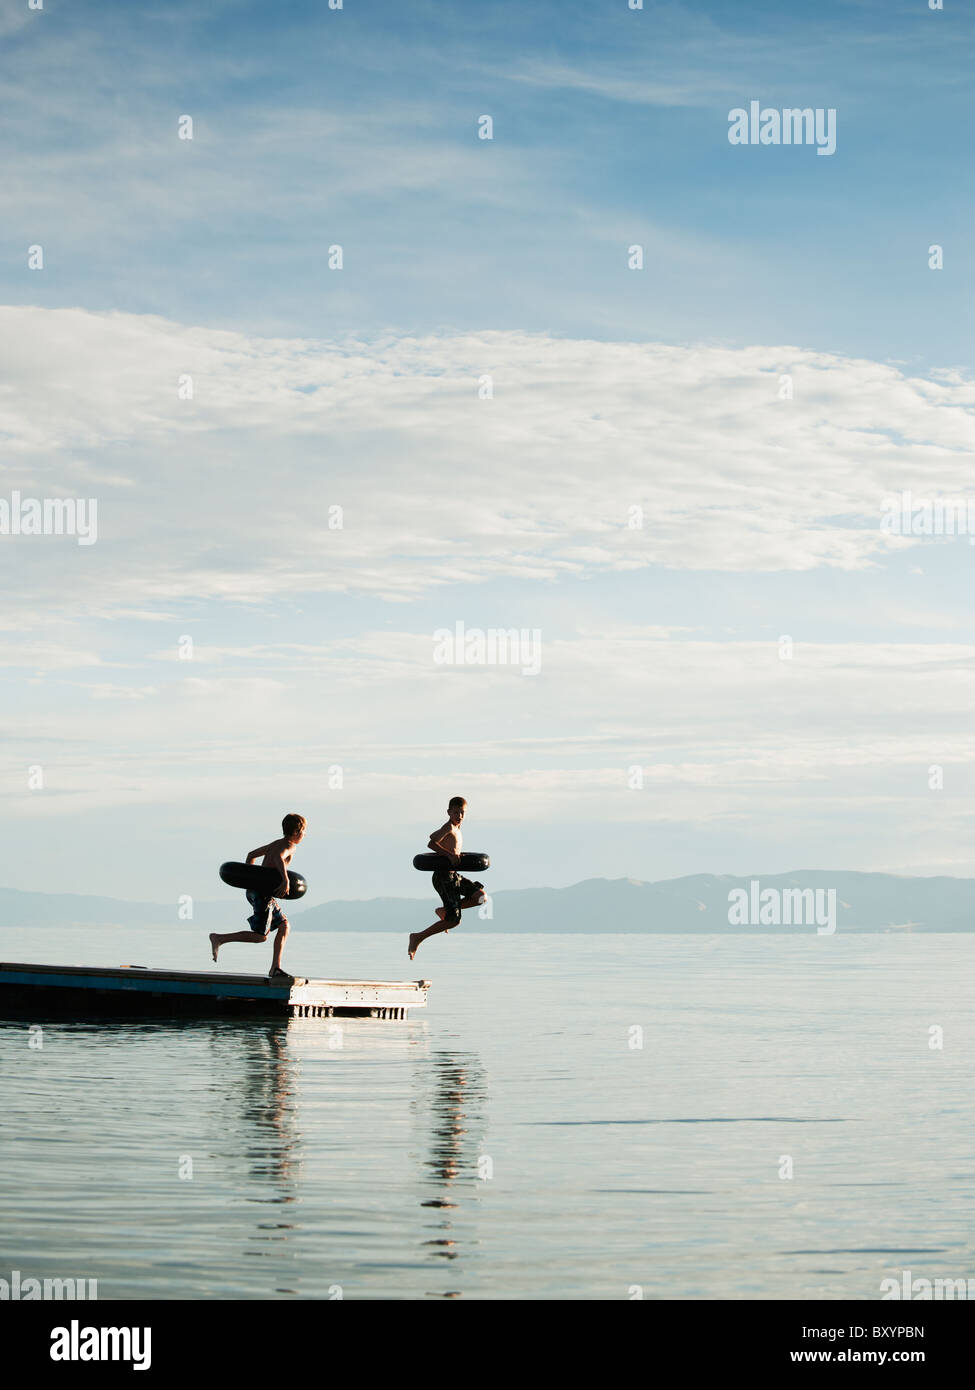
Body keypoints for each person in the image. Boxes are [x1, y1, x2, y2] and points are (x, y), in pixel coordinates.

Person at [210, 814, 306, 978]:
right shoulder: (289, 845)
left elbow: (251, 855)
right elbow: (278, 858)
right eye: (304, 832)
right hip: (263, 894)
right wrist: (285, 880)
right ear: (297, 832)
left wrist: (250, 878)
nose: (304, 836)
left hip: (259, 891)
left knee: (284, 926)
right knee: (261, 937)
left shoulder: (275, 843)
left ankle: (275, 968)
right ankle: (219, 938)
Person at [409, 797, 485, 959]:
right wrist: (448, 855)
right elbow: (432, 842)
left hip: (453, 875)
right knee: (454, 920)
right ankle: (417, 937)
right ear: (449, 812)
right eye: (456, 812)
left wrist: (456, 855)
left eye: (462, 812)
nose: (459, 815)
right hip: (443, 876)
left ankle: (444, 911)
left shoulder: (458, 829)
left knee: (480, 897)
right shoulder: (449, 826)